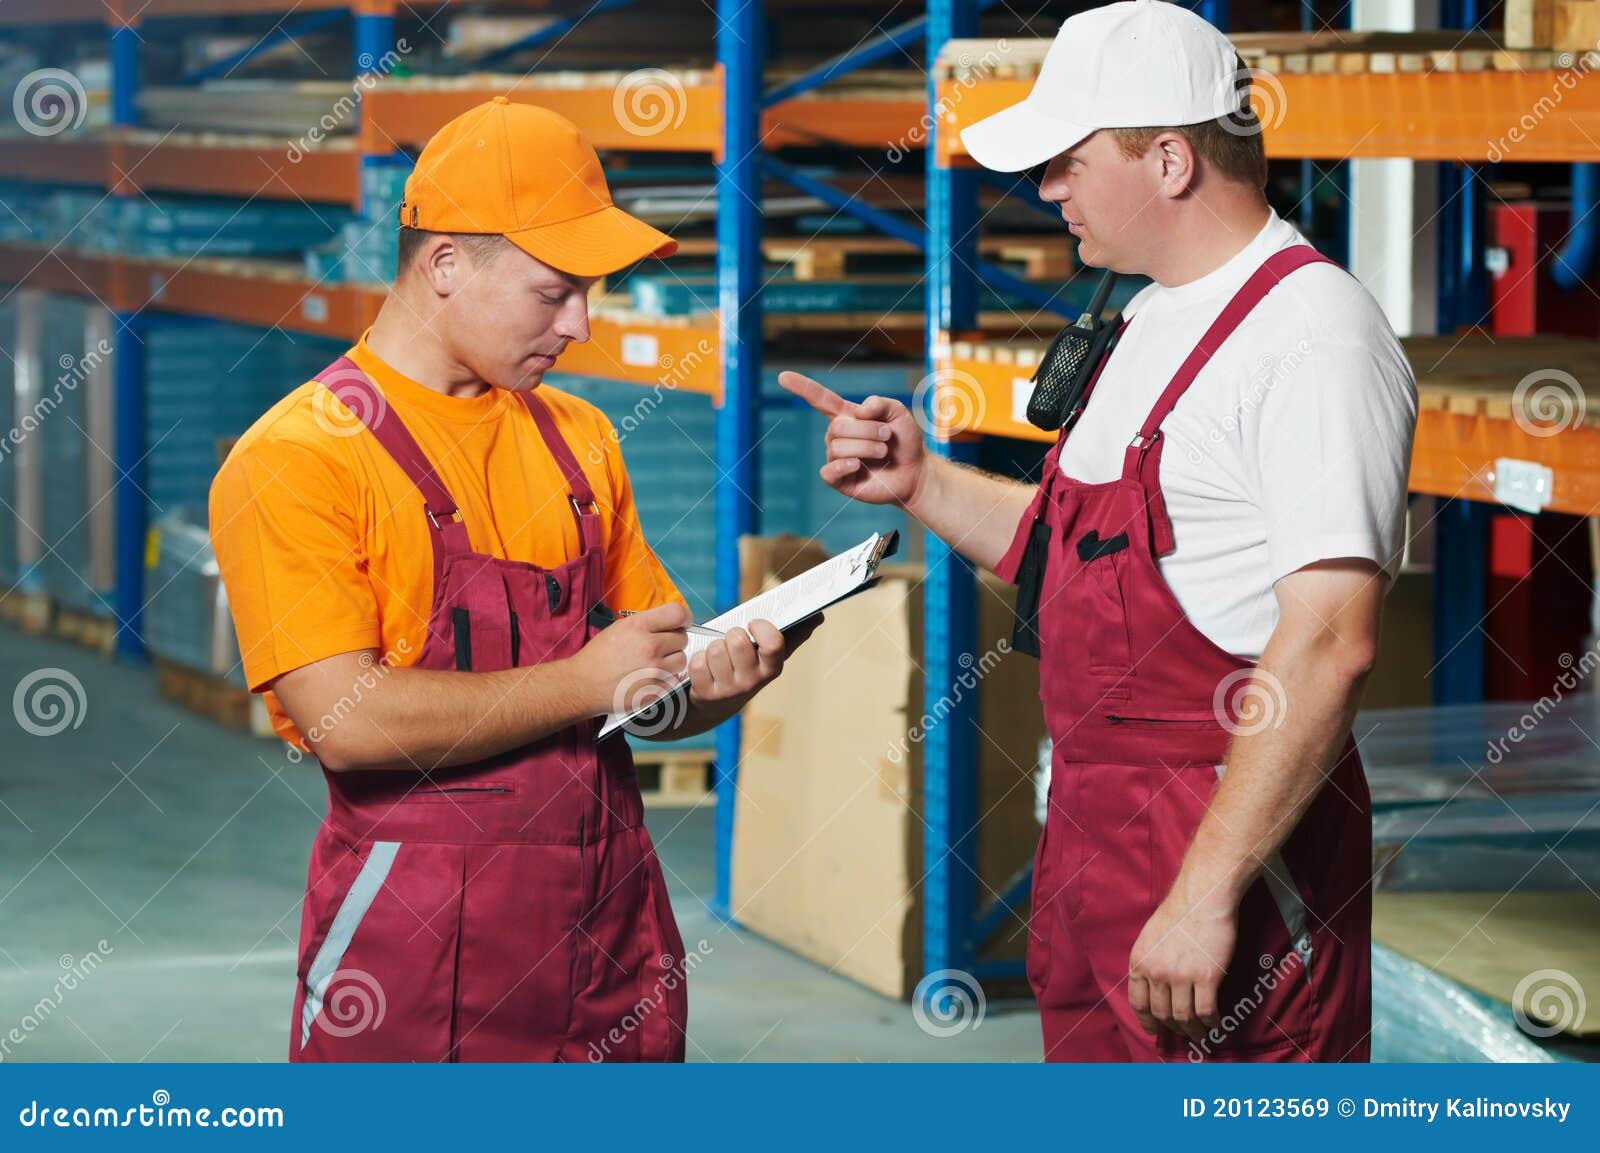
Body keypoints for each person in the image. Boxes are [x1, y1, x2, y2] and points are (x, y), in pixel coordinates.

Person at [781, 0, 1416, 1061]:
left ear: (1169, 159)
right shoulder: (1153, 314)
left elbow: (1328, 641)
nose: (1047, 189)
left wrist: (1206, 892)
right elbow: (1082, 547)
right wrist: (922, 480)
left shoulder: (1311, 341)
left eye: (1069, 161)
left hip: (1219, 846)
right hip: (1091, 831)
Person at [210, 98, 808, 1062]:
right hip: (416, 953)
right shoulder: (298, 455)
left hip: (611, 924)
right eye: (553, 291)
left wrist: (711, 687)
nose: (580, 323)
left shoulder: (578, 438)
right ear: (446, 264)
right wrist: (585, 680)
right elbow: (344, 720)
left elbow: (642, 683)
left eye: (589, 291)